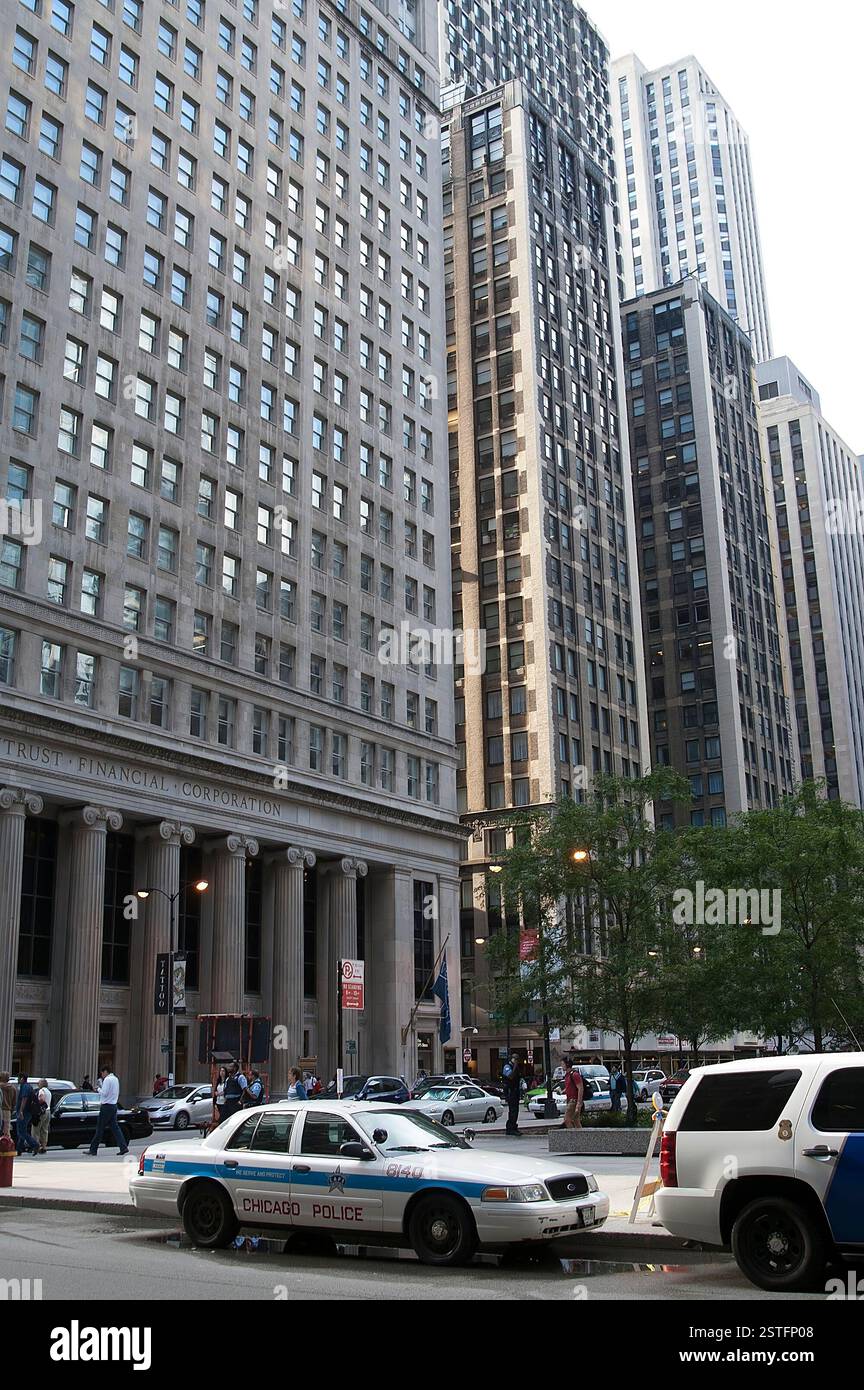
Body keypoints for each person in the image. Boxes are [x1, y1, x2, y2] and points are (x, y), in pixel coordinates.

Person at [88, 1066, 129, 1156]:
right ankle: (123, 1147)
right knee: (115, 1128)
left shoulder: (107, 1080)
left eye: (102, 1073)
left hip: (106, 1106)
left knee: (100, 1128)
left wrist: (98, 1089)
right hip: (113, 1105)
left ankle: (93, 1149)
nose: (102, 1075)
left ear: (105, 1071)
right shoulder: (115, 1079)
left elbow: (104, 1093)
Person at [15, 1076, 39, 1155]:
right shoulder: (29, 1086)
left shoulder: (25, 1087)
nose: (18, 1080)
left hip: (24, 1112)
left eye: (19, 1078)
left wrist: (21, 1111)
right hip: (27, 1112)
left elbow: (24, 1099)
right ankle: (19, 1149)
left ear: (22, 1078)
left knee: (22, 1131)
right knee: (22, 1130)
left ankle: (34, 1144)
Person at [502, 1053, 522, 1136]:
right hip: (511, 1091)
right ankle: (510, 1128)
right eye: (515, 1059)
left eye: (517, 1059)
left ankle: (514, 1126)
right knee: (513, 1110)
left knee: (516, 1110)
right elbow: (510, 1076)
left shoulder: (515, 1067)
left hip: (515, 1091)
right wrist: (514, 1067)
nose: (516, 1061)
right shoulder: (507, 1066)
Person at [563, 1062, 584, 1130]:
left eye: (563, 1064)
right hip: (570, 1100)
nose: (562, 1066)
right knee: (576, 1120)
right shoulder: (567, 1075)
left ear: (567, 1065)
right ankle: (581, 1136)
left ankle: (573, 1136)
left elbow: (580, 1088)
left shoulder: (574, 1074)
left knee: (567, 1119)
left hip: (574, 1100)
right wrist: (564, 1091)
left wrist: (579, 1102)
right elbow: (570, 1087)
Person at [33, 1079, 52, 1153]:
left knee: (36, 1130)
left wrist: (36, 1103)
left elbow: (41, 1099)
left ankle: (36, 1146)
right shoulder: (49, 1091)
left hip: (41, 1112)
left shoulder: (41, 1091)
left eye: (39, 1083)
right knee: (44, 1130)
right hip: (48, 1111)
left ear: (42, 1084)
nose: (38, 1084)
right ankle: (44, 1146)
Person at [0, 1072, 17, 1139]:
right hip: (8, 1110)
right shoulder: (13, 1088)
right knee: (6, 1130)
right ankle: (6, 1145)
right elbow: (14, 1101)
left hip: (1, 1109)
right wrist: (12, 1109)